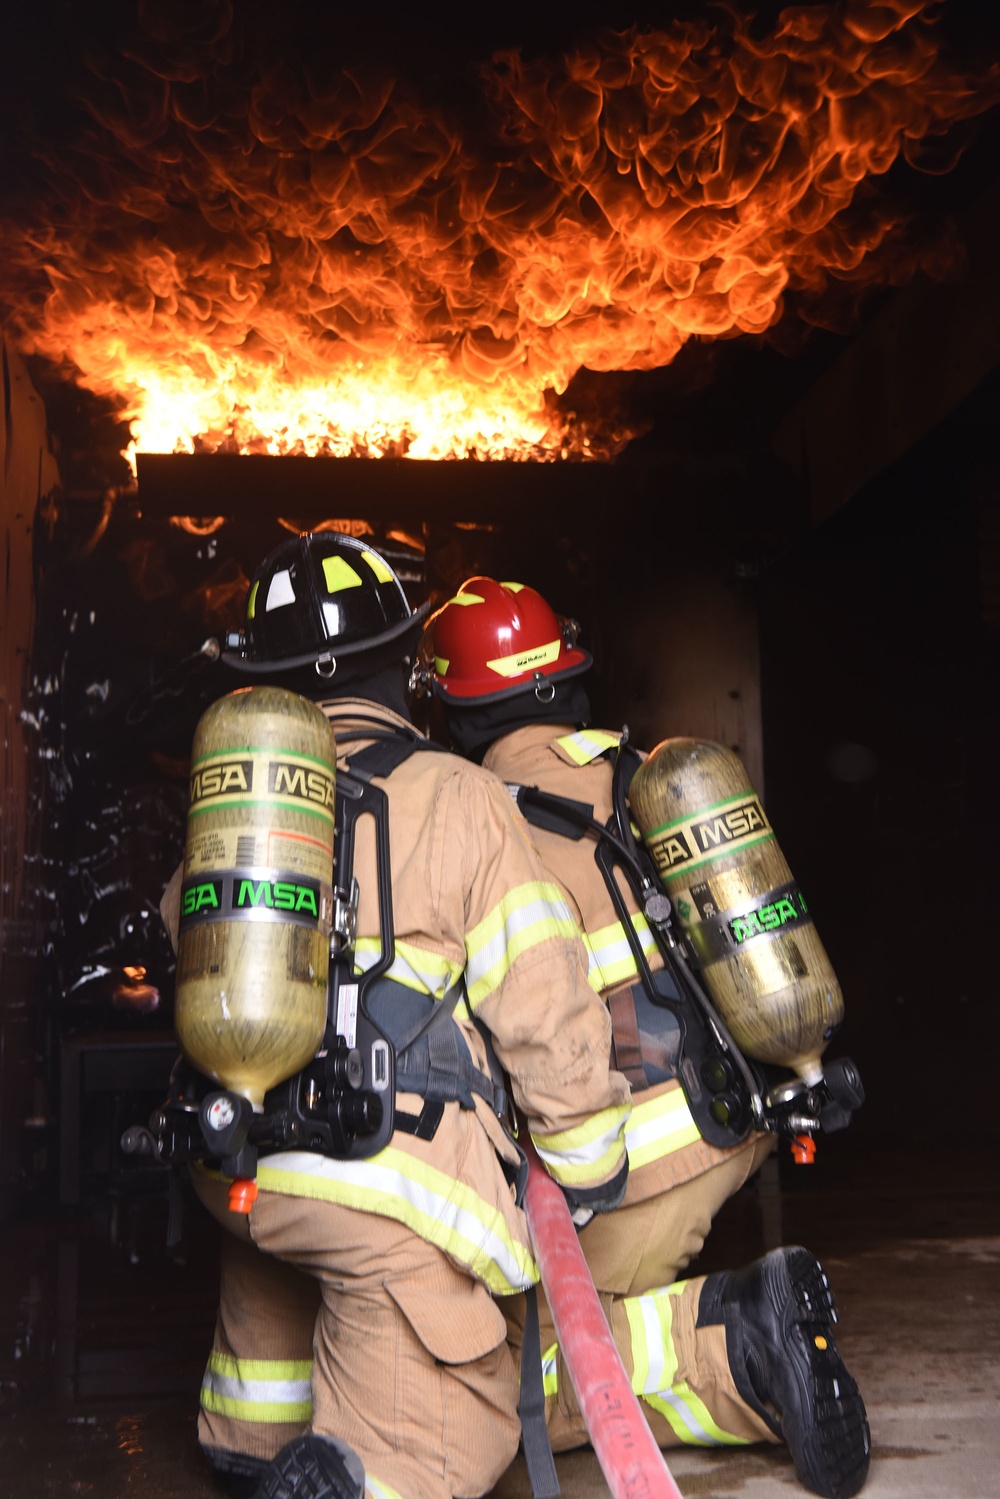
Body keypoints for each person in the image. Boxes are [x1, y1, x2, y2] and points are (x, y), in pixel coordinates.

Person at [159, 536, 631, 1499]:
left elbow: (182, 929)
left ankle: (251, 1443)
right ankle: (362, 1475)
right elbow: (541, 1000)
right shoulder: (460, 793)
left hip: (239, 1159)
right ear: (400, 665)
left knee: (282, 1265)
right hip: (388, 1176)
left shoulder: (235, 797)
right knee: (452, 1440)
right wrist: (589, 1161)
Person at [421, 575, 871, 1499]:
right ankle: (737, 1349)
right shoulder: (647, 777)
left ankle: (737, 1344)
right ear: (568, 679)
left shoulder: (473, 821)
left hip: (624, 1172)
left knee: (472, 1387)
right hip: (732, 1124)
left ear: (452, 709)